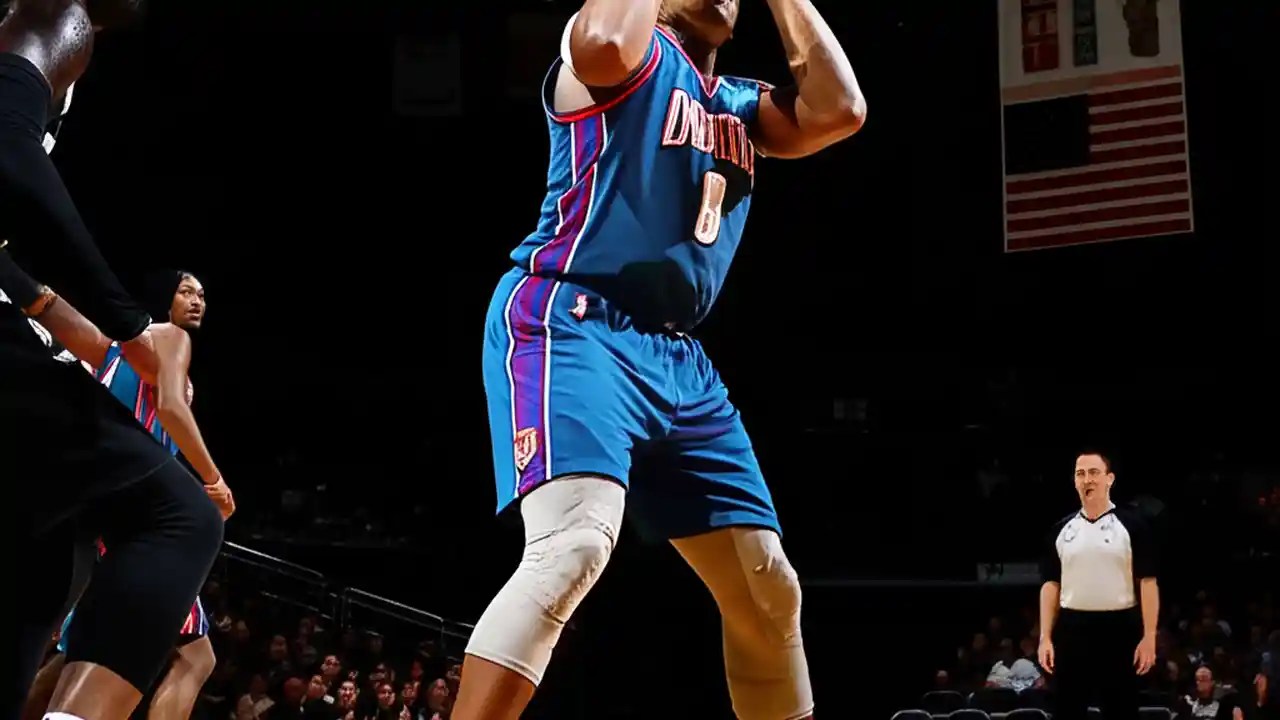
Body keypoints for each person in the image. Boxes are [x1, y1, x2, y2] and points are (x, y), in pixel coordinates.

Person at [457, 0, 865, 717]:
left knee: (769, 589)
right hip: (574, 318)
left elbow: (841, 110)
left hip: (676, 356)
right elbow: (610, 40)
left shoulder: (738, 104)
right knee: (575, 544)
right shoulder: (622, 53)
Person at [0, 2, 223, 711]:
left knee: (41, 565)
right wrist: (129, 324)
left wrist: (46, 306)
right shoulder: (46, 14)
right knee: (182, 518)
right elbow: (6, 151)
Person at [7, 267, 234, 720]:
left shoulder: (108, 349)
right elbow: (170, 407)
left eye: (202, 294)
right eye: (186, 291)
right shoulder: (170, 338)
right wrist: (213, 480)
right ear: (160, 297)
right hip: (138, 510)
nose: (196, 301)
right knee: (196, 657)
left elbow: (52, 312)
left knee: (81, 654)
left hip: (90, 500)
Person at [1038, 451, 1160, 720]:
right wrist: (1045, 636)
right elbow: (1050, 585)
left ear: (1109, 479)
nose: (1087, 479)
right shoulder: (1061, 529)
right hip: (1071, 629)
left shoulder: (1133, 526)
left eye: (1094, 472)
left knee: (1121, 709)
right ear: (1074, 481)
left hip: (1119, 628)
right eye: (1080, 474)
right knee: (1067, 709)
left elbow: (1148, 582)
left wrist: (1149, 636)